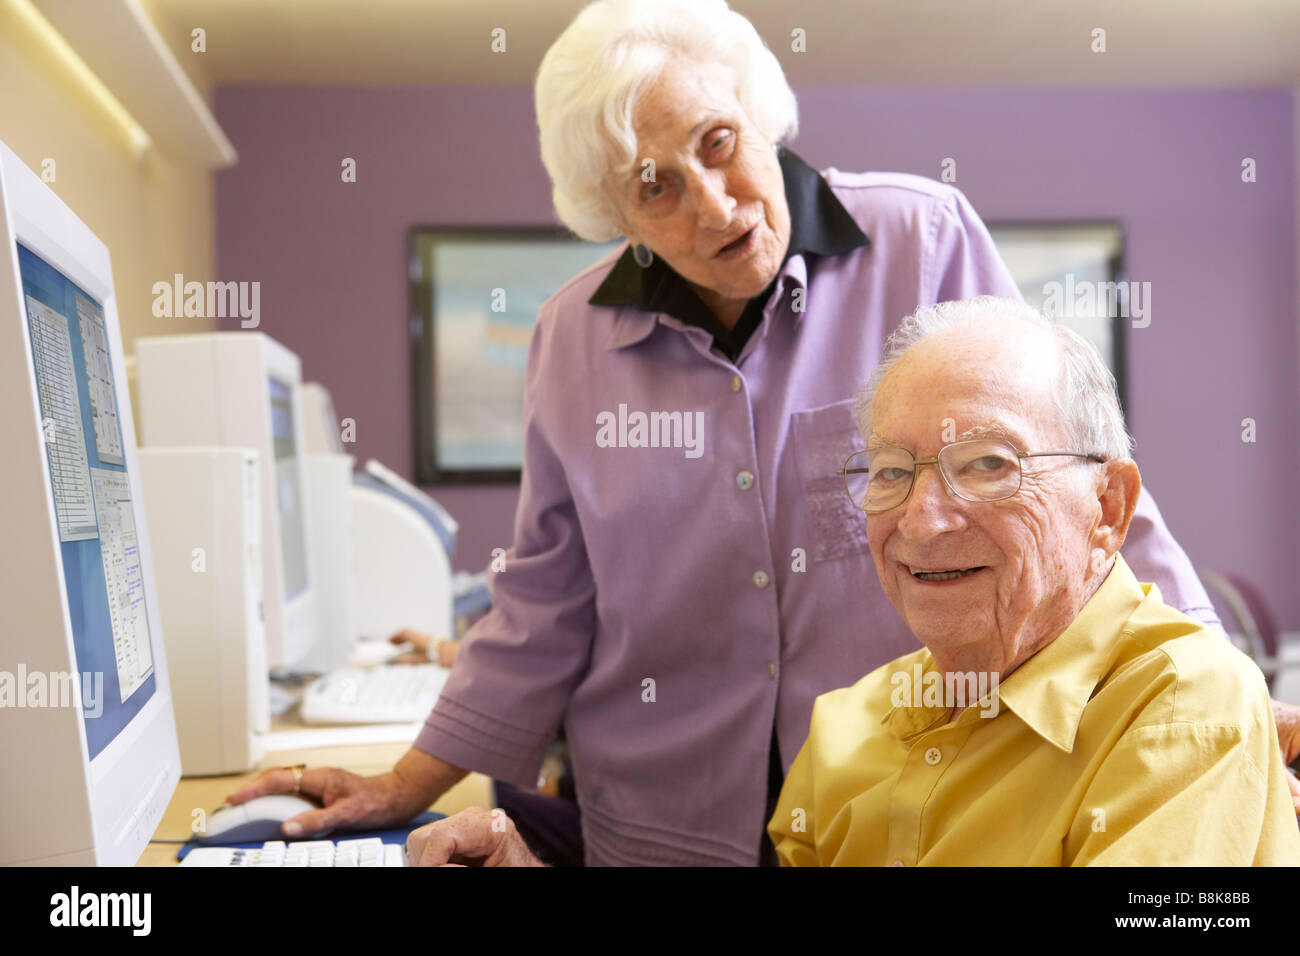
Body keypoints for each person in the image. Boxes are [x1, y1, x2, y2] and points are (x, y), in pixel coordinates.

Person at [231, 0, 1300, 866]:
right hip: (661, 809)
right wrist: (404, 783)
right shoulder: (569, 339)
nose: (711, 202)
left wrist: (1215, 700)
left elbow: (1072, 473)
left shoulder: (918, 238)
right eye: (655, 185)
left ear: (757, 112)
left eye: (718, 143)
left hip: (912, 801)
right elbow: (546, 595)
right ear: (615, 211)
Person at [766, 298, 1300, 865]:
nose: (921, 521)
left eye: (988, 464)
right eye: (891, 471)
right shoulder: (845, 726)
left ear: (1107, 507)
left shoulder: (1186, 707)